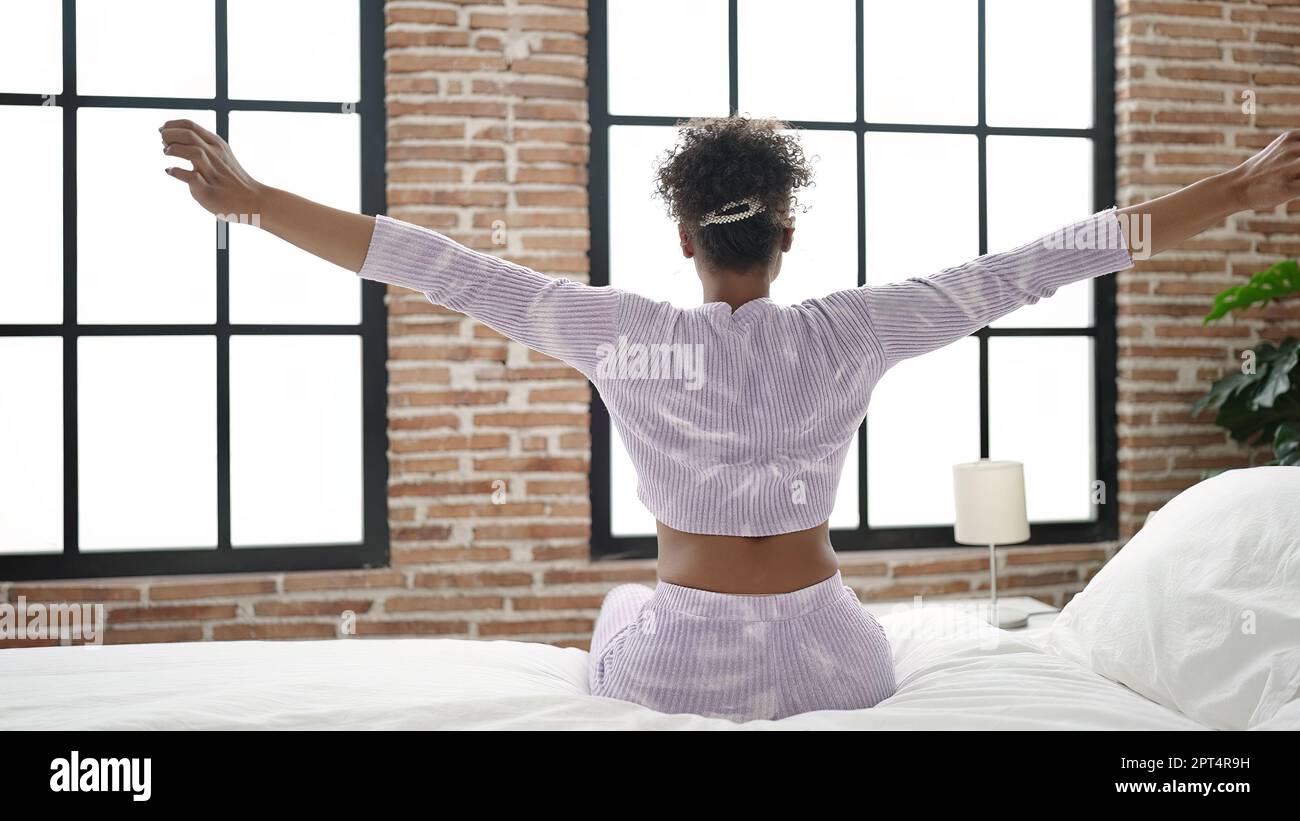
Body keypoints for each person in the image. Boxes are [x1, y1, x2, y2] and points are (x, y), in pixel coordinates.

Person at [161, 114, 1300, 722]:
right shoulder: (857, 328)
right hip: (835, 665)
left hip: (677, 668)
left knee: (616, 603)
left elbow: (432, 264)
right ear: (787, 235)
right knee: (872, 614)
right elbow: (1051, 259)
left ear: (685, 238)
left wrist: (255, 202)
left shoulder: (612, 328)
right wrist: (1243, 191)